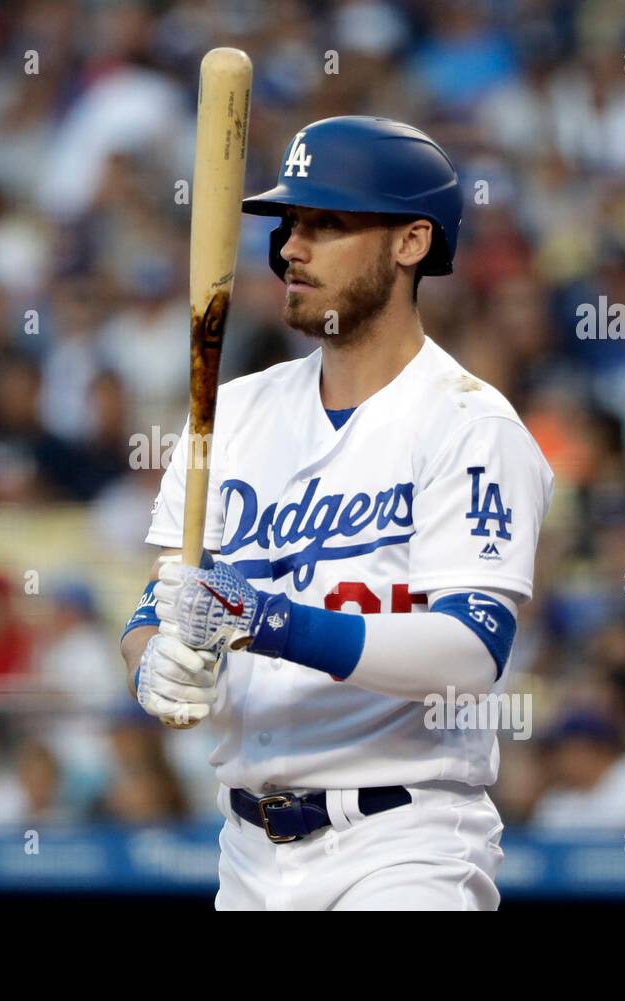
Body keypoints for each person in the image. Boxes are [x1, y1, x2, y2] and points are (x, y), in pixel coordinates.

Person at [119, 117, 554, 910]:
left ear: (411, 242)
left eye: (328, 224)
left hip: (404, 841)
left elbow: (469, 651)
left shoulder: (470, 425)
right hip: (245, 849)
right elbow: (169, 593)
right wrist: (149, 656)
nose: (291, 248)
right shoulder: (231, 410)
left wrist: (267, 621)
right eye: (290, 225)